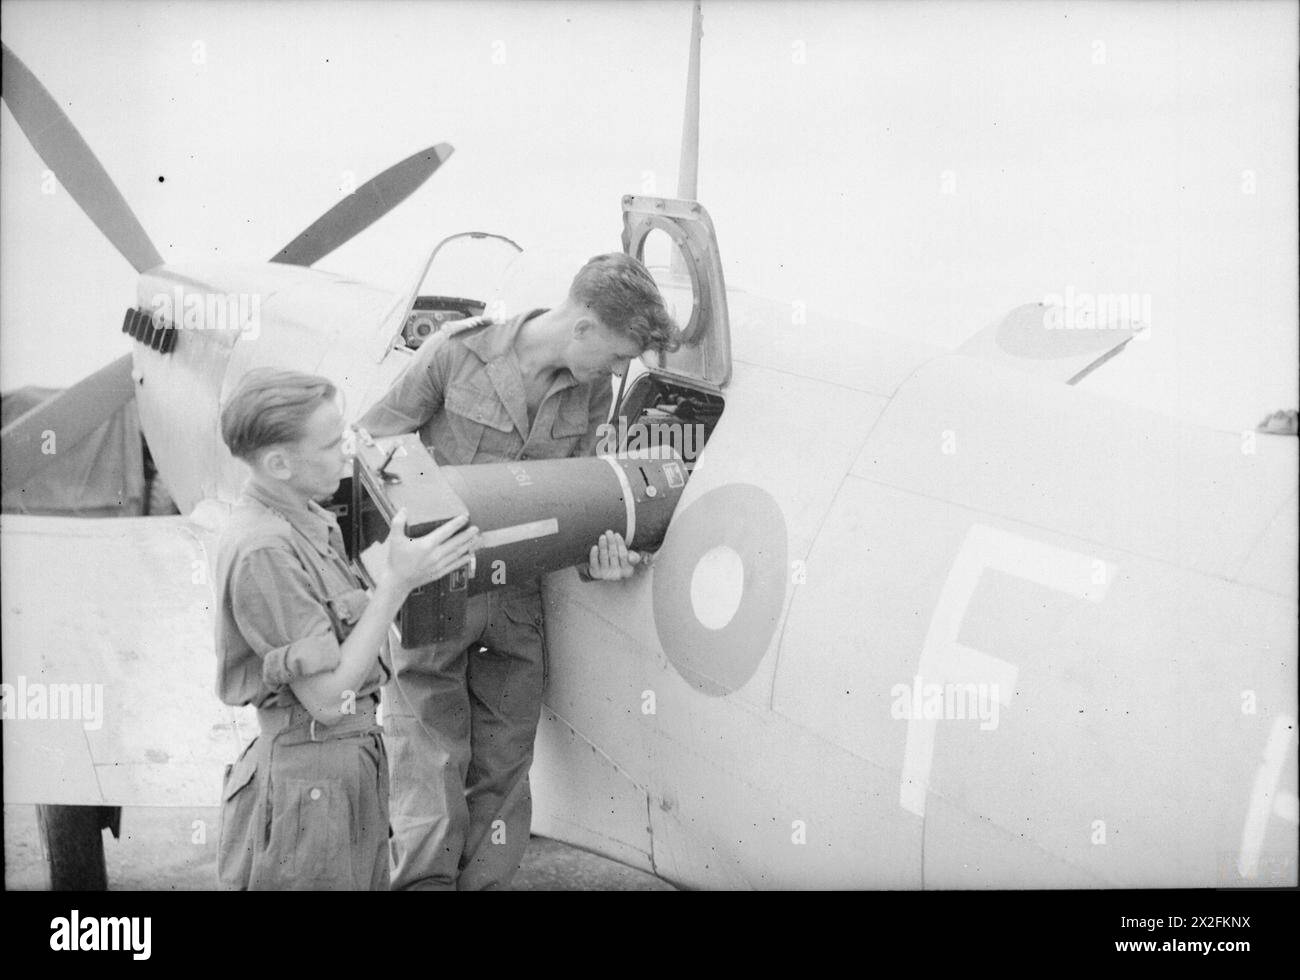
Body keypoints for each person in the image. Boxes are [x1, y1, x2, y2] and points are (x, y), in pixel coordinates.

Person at [358, 252, 679, 889]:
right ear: (583, 325)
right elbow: (373, 446)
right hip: (434, 599)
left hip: (514, 607)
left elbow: (574, 495)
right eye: (618, 356)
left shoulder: (589, 390)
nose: (618, 372)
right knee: (429, 762)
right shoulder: (457, 354)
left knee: (505, 772)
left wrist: (605, 557)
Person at [213, 367, 479, 890]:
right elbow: (330, 699)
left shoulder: (305, 522)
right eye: (334, 442)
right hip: (310, 780)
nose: (348, 451)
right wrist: (396, 586)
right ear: (278, 463)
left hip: (337, 769)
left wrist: (414, 570)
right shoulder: (265, 548)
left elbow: (344, 636)